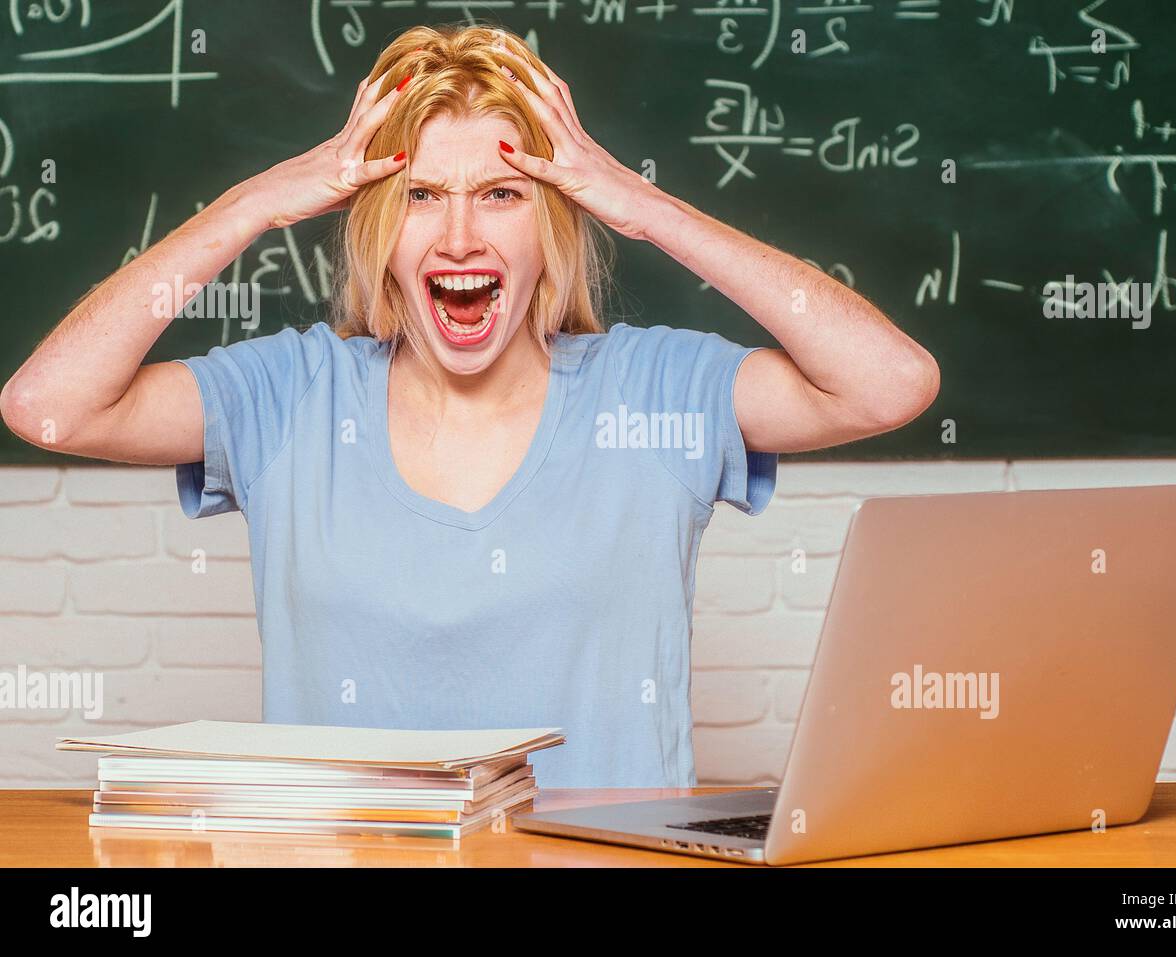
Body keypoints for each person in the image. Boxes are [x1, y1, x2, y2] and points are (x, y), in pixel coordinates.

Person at [0, 25, 939, 786]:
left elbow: (891, 383)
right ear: (375, 226)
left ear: (555, 220)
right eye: (419, 196)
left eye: (500, 193)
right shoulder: (289, 395)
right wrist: (252, 206)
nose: (458, 235)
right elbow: (48, 406)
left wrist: (642, 206)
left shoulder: (656, 392)